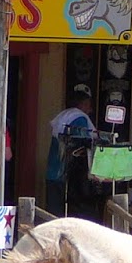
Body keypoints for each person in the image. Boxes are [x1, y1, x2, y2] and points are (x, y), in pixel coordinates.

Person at [45, 85, 95, 218]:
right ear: (84, 104)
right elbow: (82, 144)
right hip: (69, 174)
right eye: (88, 105)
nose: (90, 109)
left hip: (53, 171)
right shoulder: (79, 118)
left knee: (53, 213)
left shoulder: (63, 116)